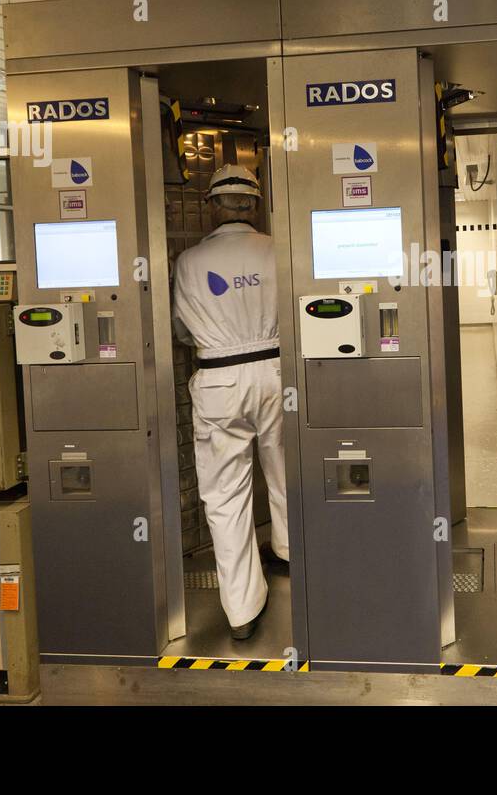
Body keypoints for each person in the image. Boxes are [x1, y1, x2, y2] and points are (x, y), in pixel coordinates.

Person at [172, 165, 288, 640]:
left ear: (213, 207)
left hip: (219, 380)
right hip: (277, 370)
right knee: (285, 469)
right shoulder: (278, 250)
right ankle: (288, 550)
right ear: (254, 206)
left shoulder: (188, 261)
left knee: (225, 496)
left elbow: (181, 333)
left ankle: (241, 609)